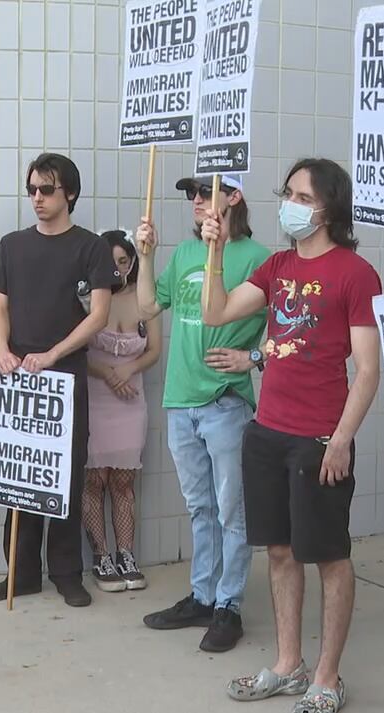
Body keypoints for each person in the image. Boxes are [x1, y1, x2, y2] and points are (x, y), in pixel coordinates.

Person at [204, 158, 382, 713]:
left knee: (328, 555)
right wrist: (214, 248)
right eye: (287, 193)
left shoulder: (355, 273)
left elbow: (368, 369)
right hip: (267, 431)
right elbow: (216, 313)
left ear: (327, 206)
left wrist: (342, 438)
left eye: (300, 196)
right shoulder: (278, 265)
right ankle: (288, 664)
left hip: (318, 437)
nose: (289, 203)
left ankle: (327, 676)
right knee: (279, 552)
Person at [135, 174, 271, 653]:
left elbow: (292, 328)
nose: (195, 200)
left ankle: (228, 605)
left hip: (226, 402)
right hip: (182, 401)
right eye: (191, 193)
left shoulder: (259, 258)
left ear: (233, 196)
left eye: (205, 192)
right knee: (201, 507)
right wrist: (147, 257)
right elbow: (149, 304)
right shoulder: (187, 254)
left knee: (232, 509)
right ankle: (203, 595)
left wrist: (253, 358)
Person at [0, 153, 115, 608]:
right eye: (32, 189)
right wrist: (2, 350)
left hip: (64, 376)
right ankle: (20, 572)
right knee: (17, 474)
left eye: (47, 190)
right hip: (16, 378)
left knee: (65, 476)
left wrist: (53, 354)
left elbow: (99, 315)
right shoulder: (12, 245)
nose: (37, 198)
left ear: (69, 193)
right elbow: (0, 306)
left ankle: (66, 572)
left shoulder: (90, 247)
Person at [83, 230, 161, 593]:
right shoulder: (87, 299)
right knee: (93, 479)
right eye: (110, 263)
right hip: (94, 396)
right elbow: (77, 349)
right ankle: (101, 554)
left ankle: (126, 554)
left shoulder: (146, 299)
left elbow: (154, 350)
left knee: (123, 481)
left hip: (131, 399)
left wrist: (126, 371)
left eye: (123, 262)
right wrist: (109, 375)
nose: (116, 270)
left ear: (131, 263)